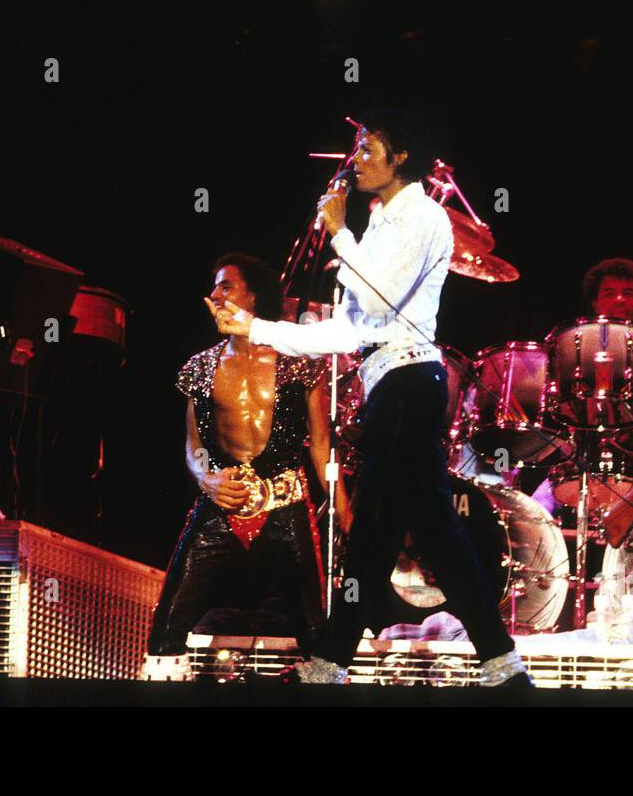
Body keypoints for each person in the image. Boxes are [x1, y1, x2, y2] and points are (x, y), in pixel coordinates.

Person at [208, 109, 530, 687]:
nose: (355, 160)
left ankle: (338, 663)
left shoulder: (426, 216)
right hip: (388, 386)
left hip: (410, 382)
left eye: (367, 148)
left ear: (401, 155)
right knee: (406, 530)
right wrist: (252, 329)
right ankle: (496, 663)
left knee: (400, 527)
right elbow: (346, 334)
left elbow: (381, 307)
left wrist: (338, 233)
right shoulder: (379, 226)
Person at [146, 254, 348, 672]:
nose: (215, 294)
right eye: (214, 286)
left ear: (254, 297)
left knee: (314, 626)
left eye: (226, 286)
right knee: (169, 618)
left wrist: (347, 514)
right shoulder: (201, 367)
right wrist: (206, 479)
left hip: (285, 501)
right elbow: (193, 443)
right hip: (222, 500)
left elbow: (321, 445)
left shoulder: (299, 363)